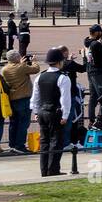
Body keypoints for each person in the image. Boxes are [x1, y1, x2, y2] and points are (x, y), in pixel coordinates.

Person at [30, 48, 73, 177]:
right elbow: (65, 99)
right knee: (56, 142)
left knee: (44, 142)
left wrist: (36, 111)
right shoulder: (63, 78)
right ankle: (53, 170)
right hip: (55, 112)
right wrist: (65, 115)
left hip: (42, 111)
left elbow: (35, 97)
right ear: (60, 62)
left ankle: (44, 170)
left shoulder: (40, 77)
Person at [1, 50, 41, 154]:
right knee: (23, 123)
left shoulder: (4, 69)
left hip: (12, 98)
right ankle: (20, 145)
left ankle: (12, 144)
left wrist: (21, 63)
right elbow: (36, 69)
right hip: (23, 98)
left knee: (13, 123)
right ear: (17, 58)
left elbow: (17, 70)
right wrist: (34, 61)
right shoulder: (22, 67)